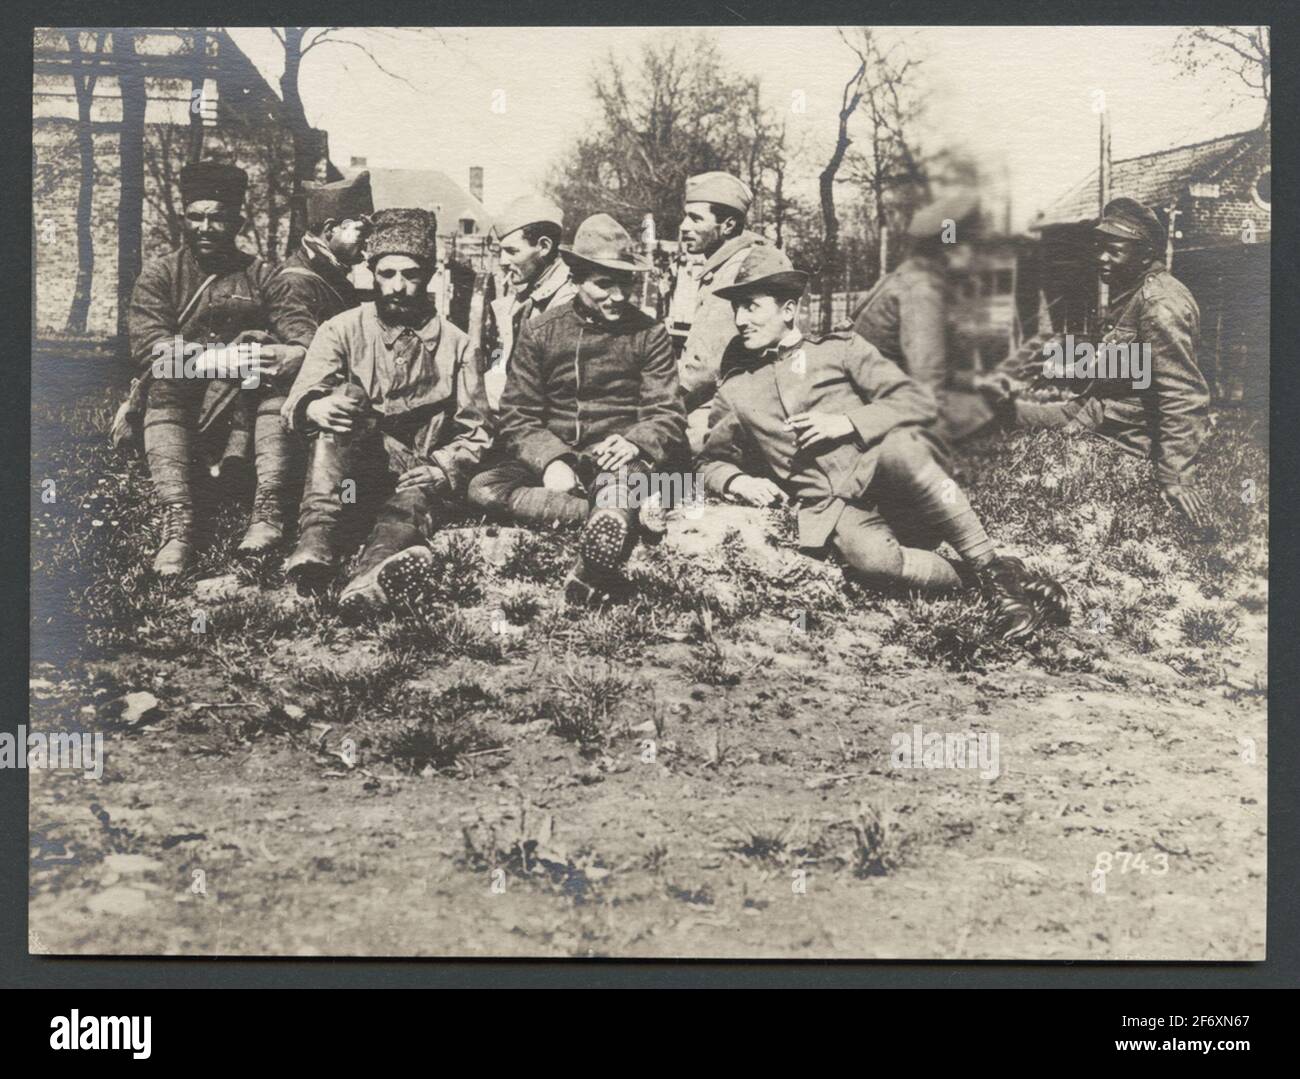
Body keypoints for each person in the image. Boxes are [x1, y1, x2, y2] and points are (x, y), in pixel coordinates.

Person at [698, 245, 1069, 641]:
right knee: (874, 564)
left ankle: (1000, 588)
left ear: (787, 310)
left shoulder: (840, 350)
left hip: (890, 479)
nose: (740, 320)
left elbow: (914, 400)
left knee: (902, 448)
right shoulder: (735, 390)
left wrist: (846, 422)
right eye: (736, 310)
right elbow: (709, 461)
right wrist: (738, 482)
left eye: (751, 307)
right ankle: (990, 578)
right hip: (832, 504)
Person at [280, 208, 492, 618]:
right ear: (372, 275)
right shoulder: (340, 330)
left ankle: (370, 577)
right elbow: (295, 404)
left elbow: (478, 431)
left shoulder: (458, 345)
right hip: (348, 479)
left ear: (428, 277)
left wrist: (443, 467)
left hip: (413, 474)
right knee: (343, 400)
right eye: (387, 274)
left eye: (410, 275)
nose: (398, 286)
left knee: (406, 511)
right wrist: (315, 406)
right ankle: (317, 544)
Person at [468, 213, 688, 607]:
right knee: (483, 488)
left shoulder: (649, 333)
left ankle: (601, 543)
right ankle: (611, 515)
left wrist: (636, 442)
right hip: (560, 458)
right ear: (575, 278)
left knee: (626, 479)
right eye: (604, 285)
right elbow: (517, 413)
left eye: (626, 283)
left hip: (620, 457)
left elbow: (667, 412)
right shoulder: (541, 332)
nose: (618, 296)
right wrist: (550, 460)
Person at [985, 197, 1212, 527]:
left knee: (1013, 418)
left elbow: (1182, 394)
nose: (1101, 258)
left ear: (1145, 253)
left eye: (1114, 250)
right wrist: (1055, 363)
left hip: (1125, 431)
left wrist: (1177, 476)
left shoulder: (1160, 305)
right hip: (1100, 411)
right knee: (1001, 411)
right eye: (1100, 247)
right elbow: (1128, 363)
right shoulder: (1136, 291)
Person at [128, 161, 308, 575]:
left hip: (246, 411)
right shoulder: (160, 275)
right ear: (183, 219)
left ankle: (268, 508)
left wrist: (290, 354)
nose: (206, 227)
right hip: (182, 412)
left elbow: (304, 337)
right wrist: (216, 360)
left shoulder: (264, 275)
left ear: (237, 221)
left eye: (218, 217)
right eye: (196, 216)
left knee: (275, 377)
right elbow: (148, 349)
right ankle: (178, 524)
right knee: (167, 377)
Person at [676, 171, 766, 453]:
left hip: (730, 409)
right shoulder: (730, 261)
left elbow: (703, 368)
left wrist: (657, 405)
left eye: (695, 218)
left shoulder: (733, 270)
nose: (683, 226)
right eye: (685, 216)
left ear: (728, 225)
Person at [485, 194, 577, 410]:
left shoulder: (568, 302)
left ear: (544, 246)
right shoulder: (520, 297)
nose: (503, 261)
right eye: (501, 251)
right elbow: (500, 356)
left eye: (512, 251)